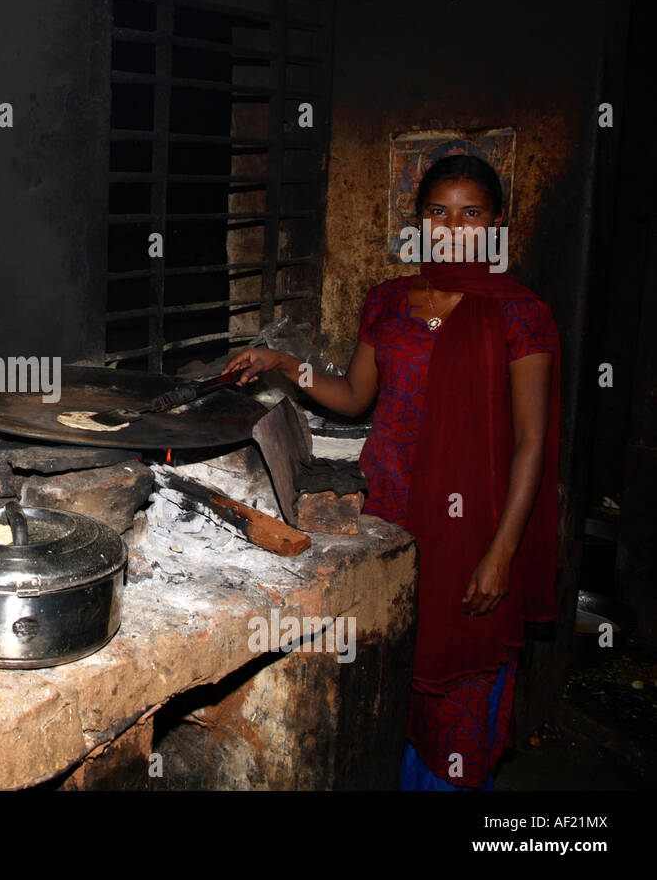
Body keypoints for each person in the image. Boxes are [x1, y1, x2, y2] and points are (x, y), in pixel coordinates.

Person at [222, 153, 561, 790]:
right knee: (386, 667)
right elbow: (354, 395)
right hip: (386, 513)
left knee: (452, 677)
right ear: (419, 220)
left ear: (496, 223)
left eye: (472, 213)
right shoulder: (389, 301)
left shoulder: (520, 313)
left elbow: (532, 444)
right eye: (439, 211)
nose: (453, 227)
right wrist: (282, 360)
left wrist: (500, 553)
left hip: (469, 527)